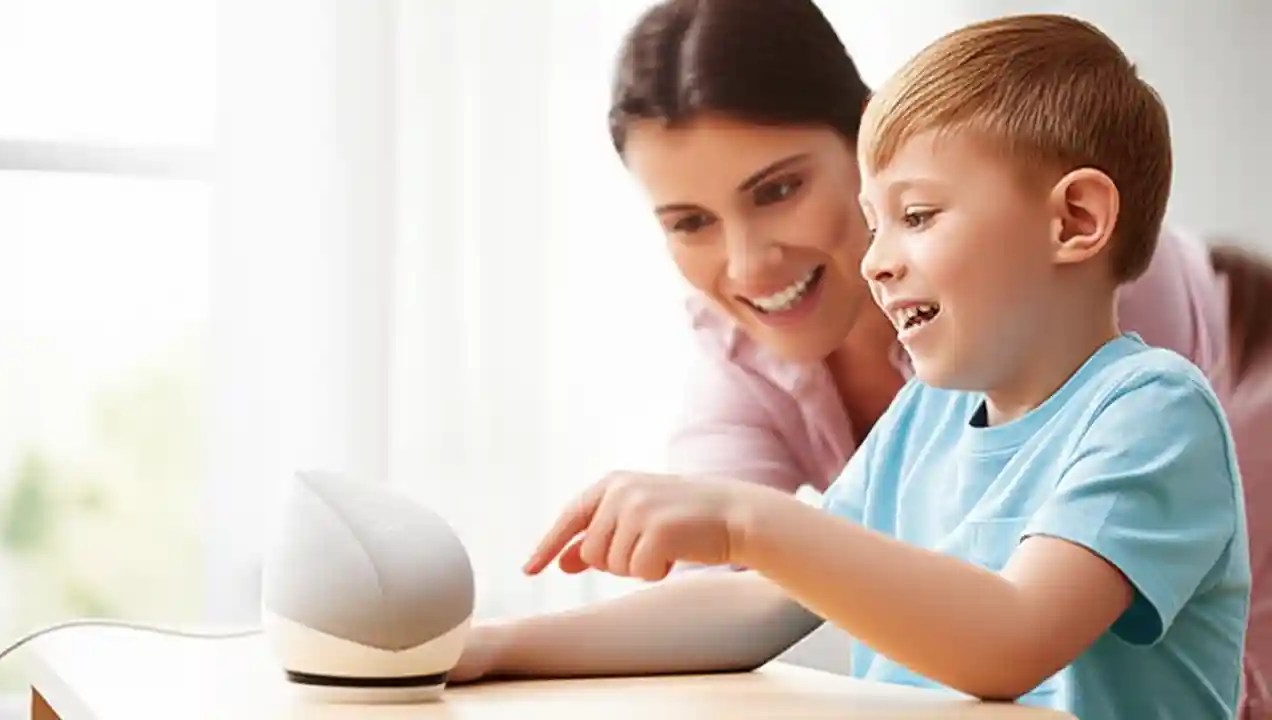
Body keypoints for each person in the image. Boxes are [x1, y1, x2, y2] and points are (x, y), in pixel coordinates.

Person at [453, 1, 1272, 716]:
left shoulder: (1154, 411)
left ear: (1076, 220)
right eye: (873, 222)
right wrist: (501, 646)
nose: (875, 260)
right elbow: (764, 604)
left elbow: (1014, 638)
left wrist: (747, 523)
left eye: (916, 215)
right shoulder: (927, 414)